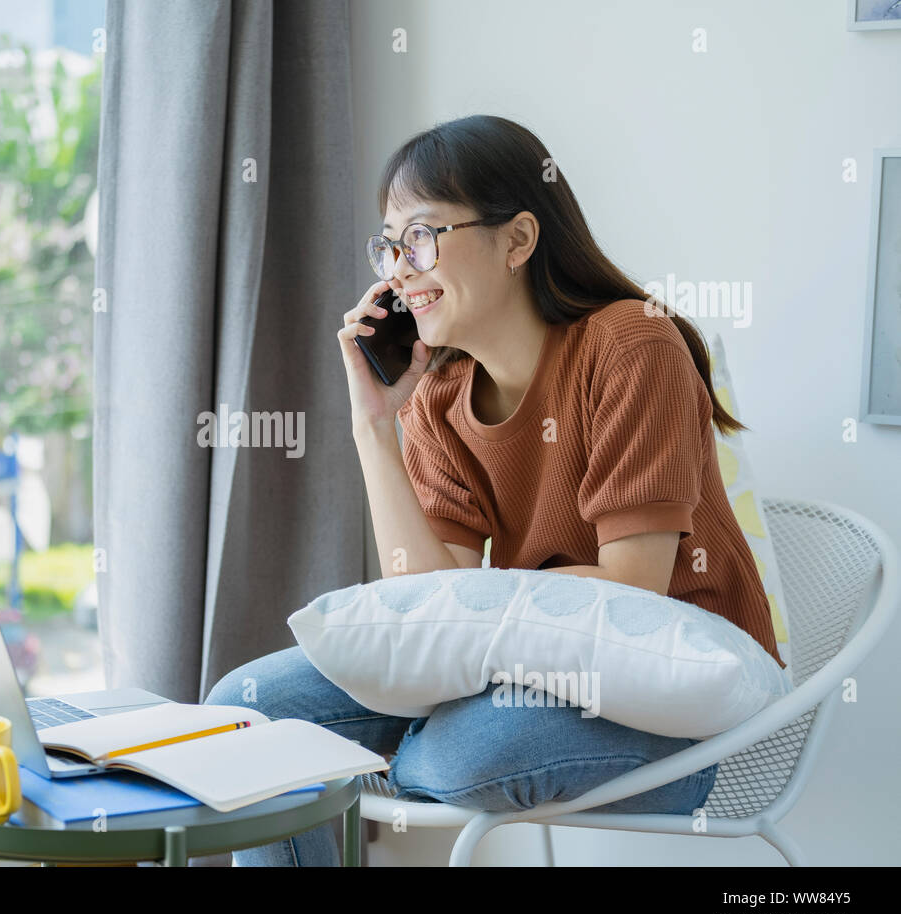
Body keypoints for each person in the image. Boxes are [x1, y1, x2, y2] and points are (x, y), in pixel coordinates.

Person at [204, 114, 782, 866]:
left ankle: (370, 759)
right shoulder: (440, 393)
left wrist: (472, 610)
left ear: (517, 240)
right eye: (389, 244)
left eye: (422, 236)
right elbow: (424, 599)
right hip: (520, 676)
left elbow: (632, 589)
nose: (398, 271)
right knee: (243, 717)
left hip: (676, 713)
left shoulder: (632, 344)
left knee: (460, 755)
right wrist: (376, 427)